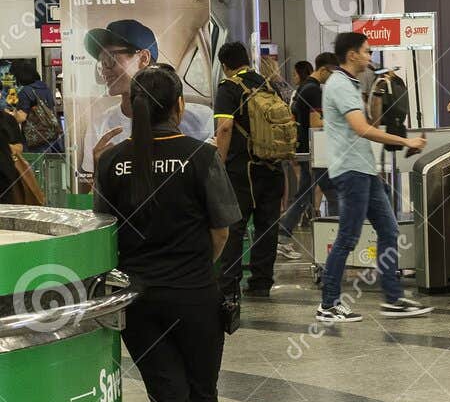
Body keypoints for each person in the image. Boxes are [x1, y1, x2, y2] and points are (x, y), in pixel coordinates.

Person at [94, 67, 240, 402]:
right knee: (202, 392)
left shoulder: (112, 161)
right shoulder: (200, 156)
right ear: (178, 105)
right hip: (196, 294)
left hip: (138, 302)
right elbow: (221, 229)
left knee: (167, 397)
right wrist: (198, 269)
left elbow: (102, 232)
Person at [316, 30, 433, 323]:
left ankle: (392, 299)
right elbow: (361, 128)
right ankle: (328, 304)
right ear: (352, 54)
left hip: (363, 169)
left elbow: (370, 121)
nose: (370, 57)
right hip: (351, 171)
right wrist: (405, 142)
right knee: (348, 237)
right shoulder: (340, 84)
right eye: (367, 51)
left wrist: (381, 93)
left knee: (389, 230)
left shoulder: (352, 84)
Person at [80, 19, 214, 177]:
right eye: (101, 63)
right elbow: (91, 193)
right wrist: (100, 172)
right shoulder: (99, 126)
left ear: (143, 58)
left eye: (110, 59)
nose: (104, 70)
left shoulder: (201, 120)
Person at [213, 40, 285, 297]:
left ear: (224, 66)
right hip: (273, 167)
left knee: (235, 227)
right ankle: (261, 282)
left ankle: (228, 284)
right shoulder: (268, 84)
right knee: (268, 225)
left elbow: (224, 128)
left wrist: (218, 164)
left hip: (243, 170)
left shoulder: (229, 87)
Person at [281, 51, 335, 239]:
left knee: (307, 191)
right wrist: (336, 122)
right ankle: (342, 229)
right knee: (329, 190)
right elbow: (315, 123)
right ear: (323, 69)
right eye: (332, 72)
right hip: (313, 150)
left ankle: (286, 228)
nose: (332, 77)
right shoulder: (314, 90)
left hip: (305, 148)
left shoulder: (304, 87)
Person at [12, 58, 62, 154]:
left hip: (35, 139)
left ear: (20, 75)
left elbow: (22, 117)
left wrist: (9, 115)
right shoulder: (44, 87)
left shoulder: (25, 91)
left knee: (34, 166)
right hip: (49, 136)